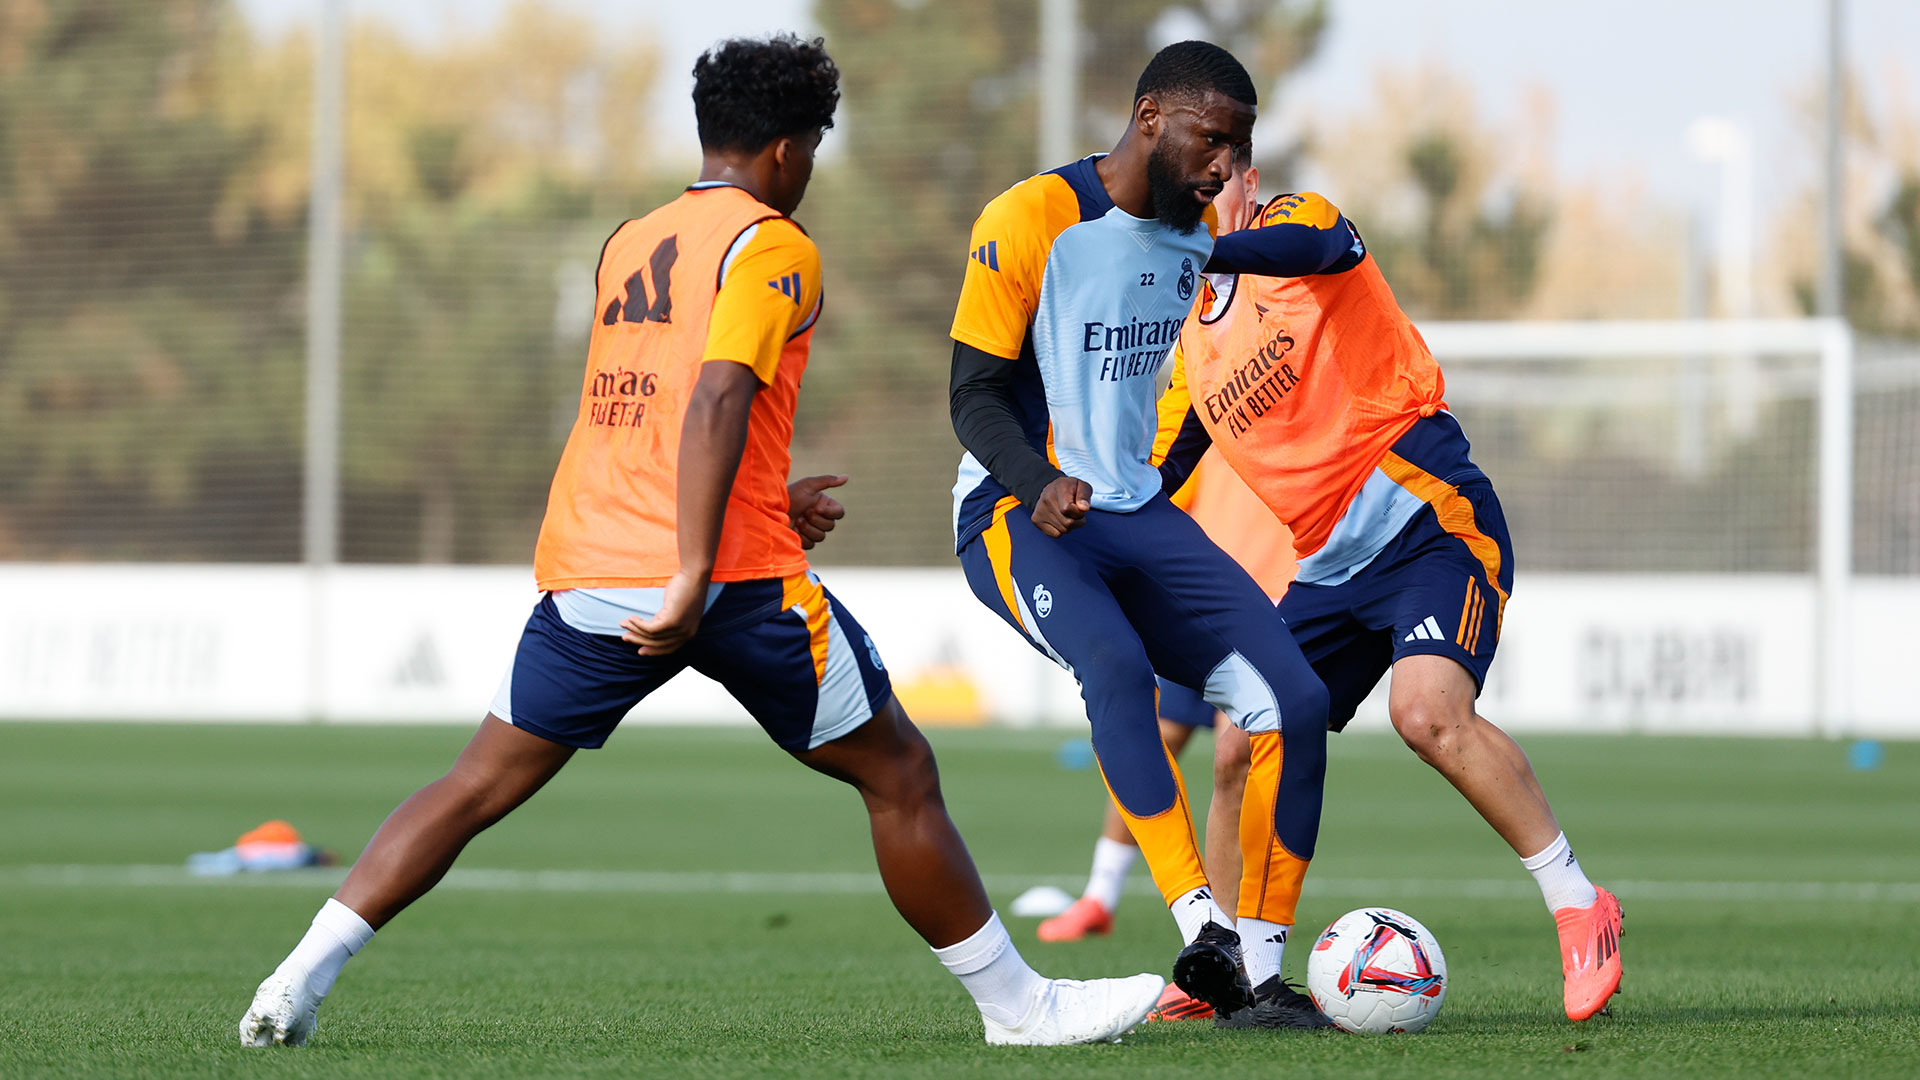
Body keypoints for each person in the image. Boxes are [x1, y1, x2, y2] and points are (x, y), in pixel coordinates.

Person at [238, 34, 1164, 1051]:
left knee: (473, 784)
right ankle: (1018, 1011)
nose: (808, 169)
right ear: (782, 150)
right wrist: (691, 569)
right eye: (811, 146)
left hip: (595, 568)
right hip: (723, 579)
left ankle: (296, 979)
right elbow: (718, 392)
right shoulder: (773, 245)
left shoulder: (630, 239)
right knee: (899, 775)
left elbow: (652, 407)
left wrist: (767, 493)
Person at [1155, 150, 1626, 1022]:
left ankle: (1578, 903)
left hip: (1431, 522)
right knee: (1234, 745)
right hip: (1329, 569)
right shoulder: (1191, 343)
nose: (1203, 200)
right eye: (1183, 190)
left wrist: (1203, 248)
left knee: (1426, 714)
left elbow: (1323, 241)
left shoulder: (1293, 225)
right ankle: (1224, 966)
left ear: (1249, 181)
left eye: (1217, 180)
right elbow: (1155, 474)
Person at [947, 40, 1331, 1027]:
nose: (1224, 169)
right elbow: (974, 396)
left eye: (1241, 151)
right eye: (1214, 141)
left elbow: (1308, 252)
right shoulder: (1030, 217)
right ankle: (1200, 927)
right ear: (1151, 116)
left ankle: (1258, 970)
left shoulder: (1198, 233)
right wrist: (1039, 483)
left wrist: (1333, 241)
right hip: (1013, 510)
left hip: (1133, 513)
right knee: (1115, 663)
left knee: (1294, 697)